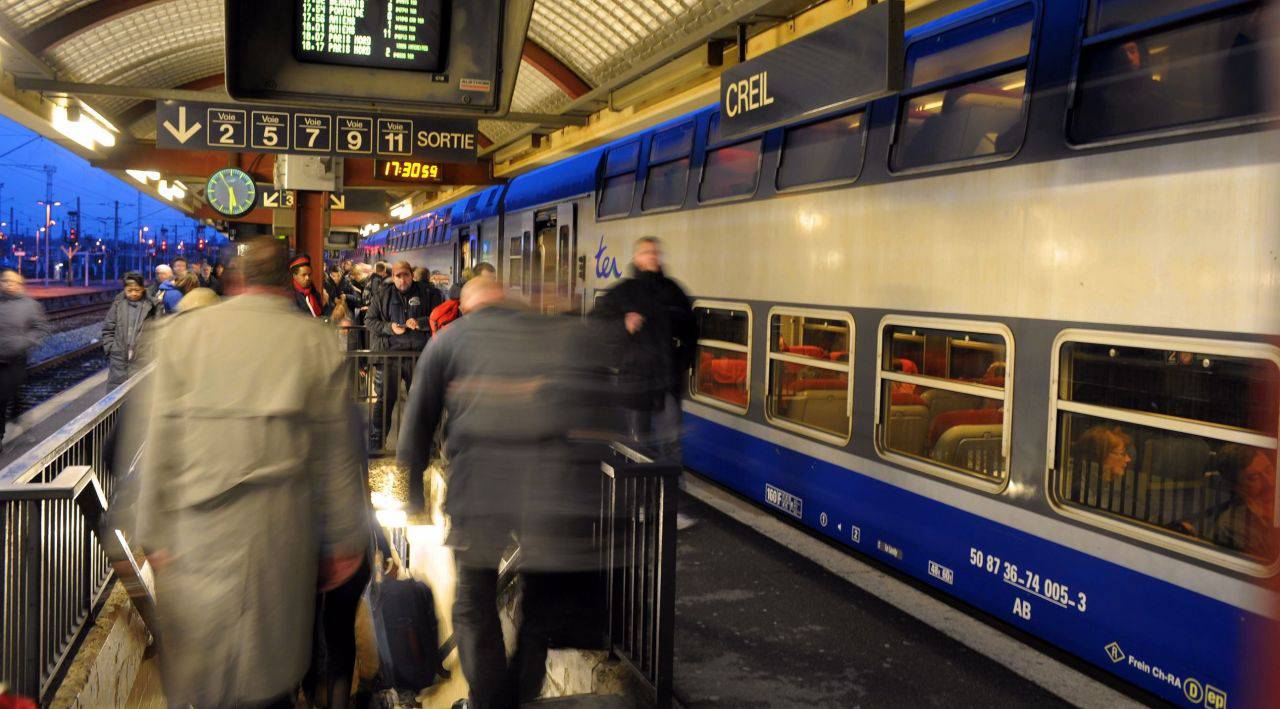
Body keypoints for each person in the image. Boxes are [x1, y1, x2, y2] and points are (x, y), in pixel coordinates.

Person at [135, 238, 369, 708]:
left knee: (208, 671)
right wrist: (346, 540)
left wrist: (151, 532)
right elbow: (337, 456)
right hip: (280, 532)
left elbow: (157, 442)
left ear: (236, 279)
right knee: (269, 671)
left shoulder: (183, 335)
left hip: (196, 533)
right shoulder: (314, 341)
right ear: (287, 281)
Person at [398, 277, 608, 708]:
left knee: (474, 605)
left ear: (469, 304)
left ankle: (490, 700)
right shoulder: (548, 334)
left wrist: (412, 500)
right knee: (537, 606)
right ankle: (520, 689)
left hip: (479, 493)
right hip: (546, 492)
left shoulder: (449, 341)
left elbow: (415, 427)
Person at [593, 237, 697, 459]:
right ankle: (641, 493)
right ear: (636, 258)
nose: (652, 256)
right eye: (646, 252)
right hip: (635, 382)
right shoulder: (623, 292)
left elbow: (692, 332)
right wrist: (622, 325)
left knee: (671, 444)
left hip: (667, 382)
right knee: (637, 446)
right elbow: (596, 326)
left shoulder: (674, 292)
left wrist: (681, 362)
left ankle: (668, 492)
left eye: (655, 252)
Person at [365, 261, 443, 449]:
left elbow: (438, 317)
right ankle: (376, 444)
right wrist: (389, 328)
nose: (402, 279)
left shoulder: (427, 293)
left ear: (412, 275)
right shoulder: (382, 294)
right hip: (389, 357)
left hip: (418, 356)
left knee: (420, 401)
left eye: (406, 275)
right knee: (384, 401)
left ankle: (425, 445)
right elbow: (369, 320)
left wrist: (421, 323)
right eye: (398, 276)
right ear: (393, 278)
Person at [0, 270, 50, 453]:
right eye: (5, 281)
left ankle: (20, 422)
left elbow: (40, 328)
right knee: (6, 397)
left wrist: (24, 342)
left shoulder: (30, 305)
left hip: (17, 359)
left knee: (8, 396)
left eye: (12, 282)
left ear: (20, 284)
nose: (8, 284)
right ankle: (20, 424)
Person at [101, 271, 158, 386]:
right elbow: (108, 328)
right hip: (119, 360)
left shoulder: (152, 306)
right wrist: (110, 349)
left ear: (143, 288)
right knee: (117, 395)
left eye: (137, 290)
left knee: (139, 395)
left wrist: (152, 351)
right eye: (129, 290)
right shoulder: (118, 304)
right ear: (124, 289)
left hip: (142, 359)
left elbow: (158, 331)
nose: (133, 294)